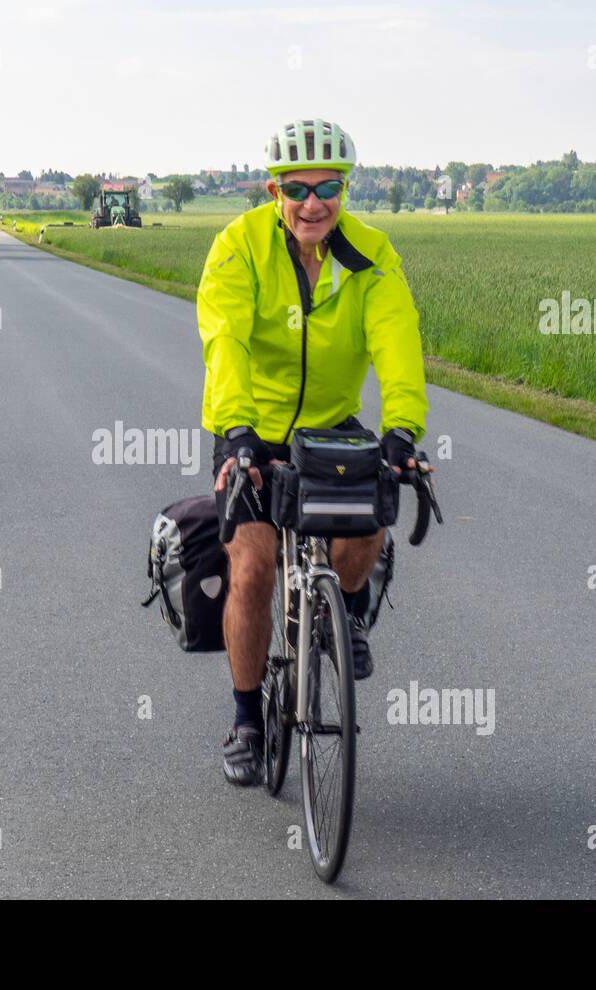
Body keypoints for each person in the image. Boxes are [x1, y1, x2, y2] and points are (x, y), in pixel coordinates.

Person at [196, 119, 429, 785]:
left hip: (331, 427)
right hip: (254, 428)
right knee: (254, 568)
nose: (312, 203)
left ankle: (347, 610)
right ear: (274, 189)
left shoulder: (372, 254)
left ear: (344, 188)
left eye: (328, 187)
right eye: (296, 188)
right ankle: (246, 719)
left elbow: (397, 339)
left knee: (370, 518)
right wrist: (237, 432)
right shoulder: (239, 247)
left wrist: (403, 430)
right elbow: (226, 339)